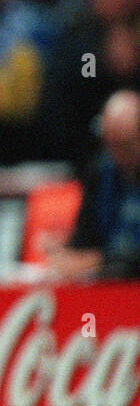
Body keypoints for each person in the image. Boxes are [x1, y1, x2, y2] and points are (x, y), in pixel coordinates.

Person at [49, 89, 140, 280]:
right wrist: (65, 250)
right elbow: (84, 238)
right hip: (104, 286)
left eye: (126, 145)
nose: (118, 154)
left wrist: (100, 260)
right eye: (111, 144)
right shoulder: (100, 171)